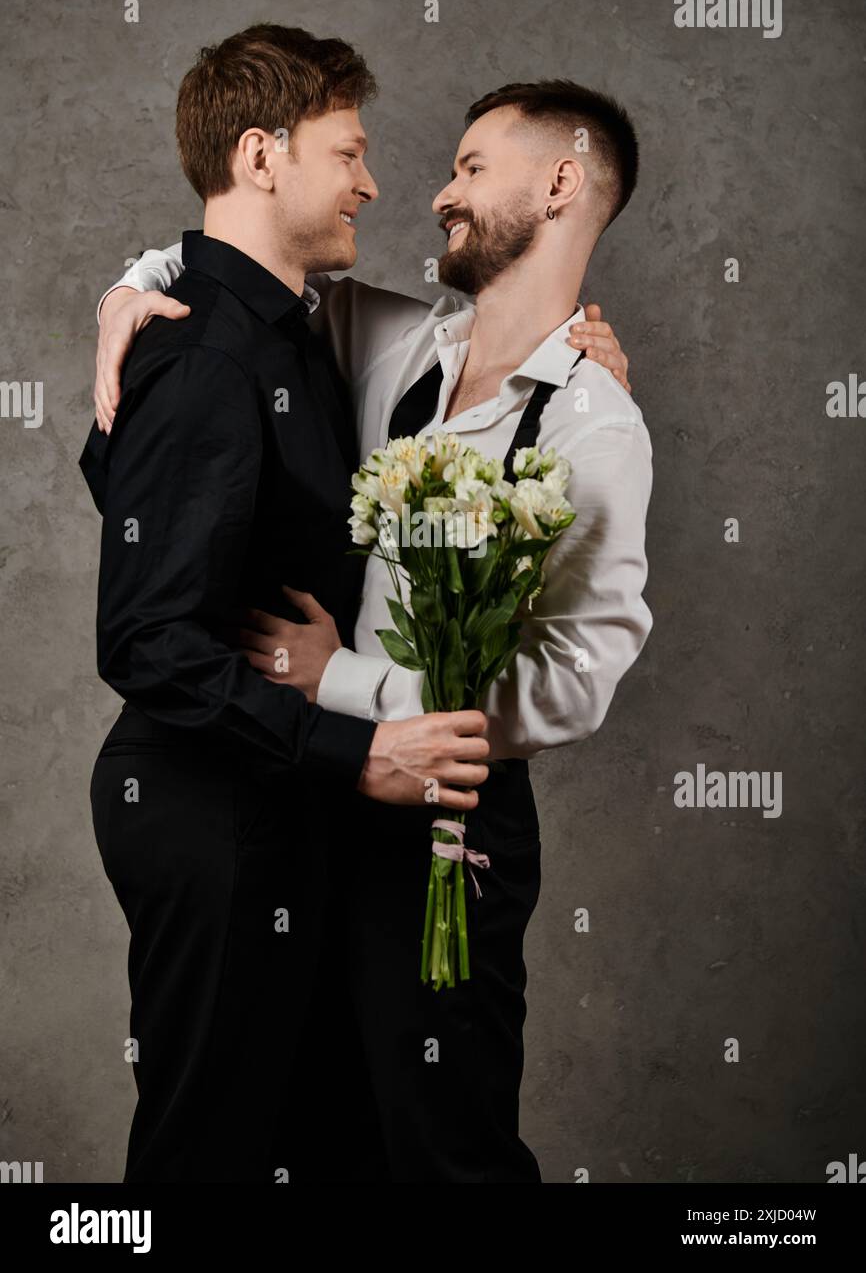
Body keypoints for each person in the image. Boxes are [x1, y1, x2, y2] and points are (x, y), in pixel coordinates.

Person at [92, 70, 651, 1182]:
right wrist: (127, 295)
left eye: (469, 169)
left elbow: (573, 679)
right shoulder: (394, 338)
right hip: (321, 797)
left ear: (557, 182)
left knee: (444, 1138)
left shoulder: (596, 421)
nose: (434, 194)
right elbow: (238, 265)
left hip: (451, 828)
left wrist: (345, 681)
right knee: (320, 1134)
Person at [79, 24, 494, 1185]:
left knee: (305, 1151)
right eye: (347, 152)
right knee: (203, 1159)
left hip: (278, 804)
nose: (372, 181)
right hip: (214, 809)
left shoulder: (293, 325)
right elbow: (145, 635)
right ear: (262, 156)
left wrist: (581, 347)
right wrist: (348, 750)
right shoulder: (205, 352)